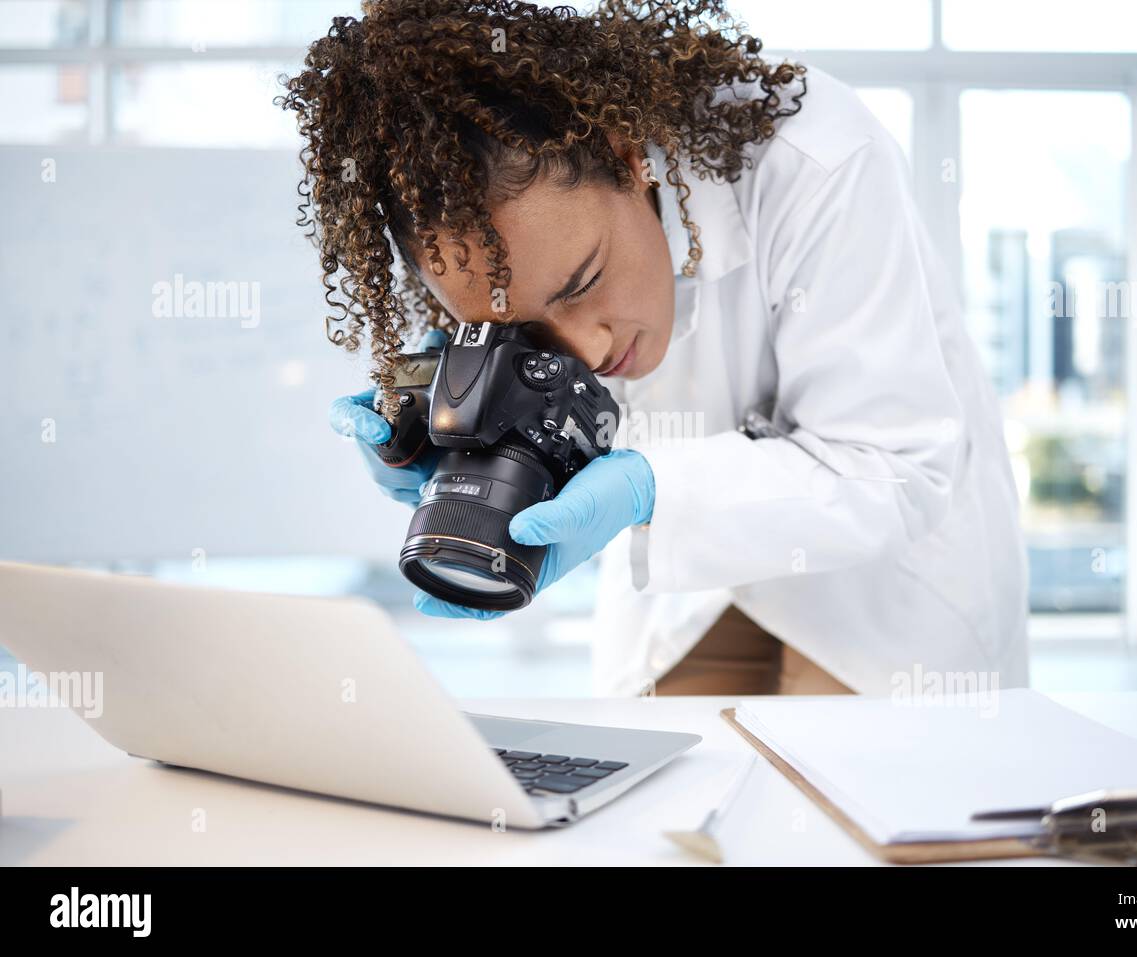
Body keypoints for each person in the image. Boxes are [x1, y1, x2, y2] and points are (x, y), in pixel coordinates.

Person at [283, 0, 1028, 697]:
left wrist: (649, 488)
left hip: (882, 586)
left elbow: (892, 462)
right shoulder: (499, 251)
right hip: (685, 592)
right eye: (529, 333)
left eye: (582, 282)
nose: (587, 346)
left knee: (849, 815)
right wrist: (448, 420)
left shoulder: (816, 156)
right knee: (651, 815)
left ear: (625, 153)